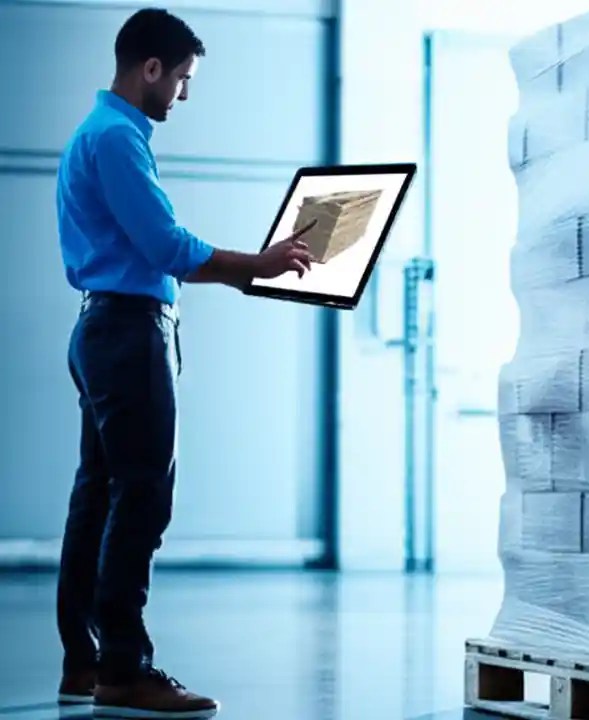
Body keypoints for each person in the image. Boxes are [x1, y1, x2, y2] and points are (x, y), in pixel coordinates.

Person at [53, 8, 315, 718]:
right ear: (151, 69)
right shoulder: (116, 139)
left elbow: (152, 247)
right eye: (182, 78)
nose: (184, 93)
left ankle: (85, 662)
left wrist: (246, 273)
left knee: (99, 495)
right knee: (142, 496)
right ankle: (124, 670)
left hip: (105, 328)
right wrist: (256, 264)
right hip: (125, 333)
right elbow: (166, 245)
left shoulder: (97, 133)